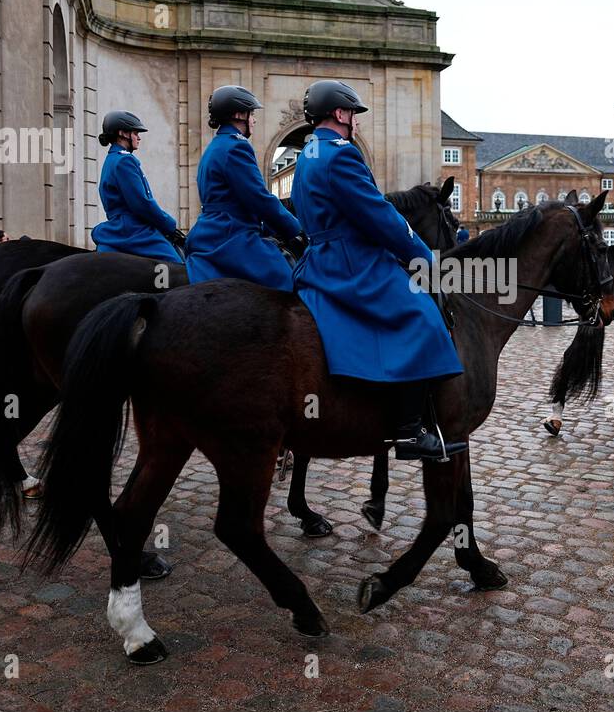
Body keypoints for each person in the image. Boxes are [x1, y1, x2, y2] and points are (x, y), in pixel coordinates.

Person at [290, 80, 465, 462]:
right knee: (421, 316)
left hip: (318, 260)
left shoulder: (308, 153)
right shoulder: (341, 155)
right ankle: (408, 433)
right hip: (352, 262)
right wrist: (423, 256)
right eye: (353, 114)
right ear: (340, 114)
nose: (356, 122)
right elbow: (381, 218)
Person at [185, 86, 302, 288]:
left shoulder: (215, 146)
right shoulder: (236, 146)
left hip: (209, 230)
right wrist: (294, 228)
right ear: (239, 114)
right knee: (287, 280)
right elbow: (259, 198)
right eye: (251, 113)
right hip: (232, 234)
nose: (254, 120)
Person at [91, 111, 184, 263]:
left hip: (121, 224)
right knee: (178, 267)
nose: (139, 137)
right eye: (135, 133)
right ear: (122, 133)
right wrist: (169, 225)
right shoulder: (125, 161)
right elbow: (142, 204)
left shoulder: (112, 159)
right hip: (133, 229)